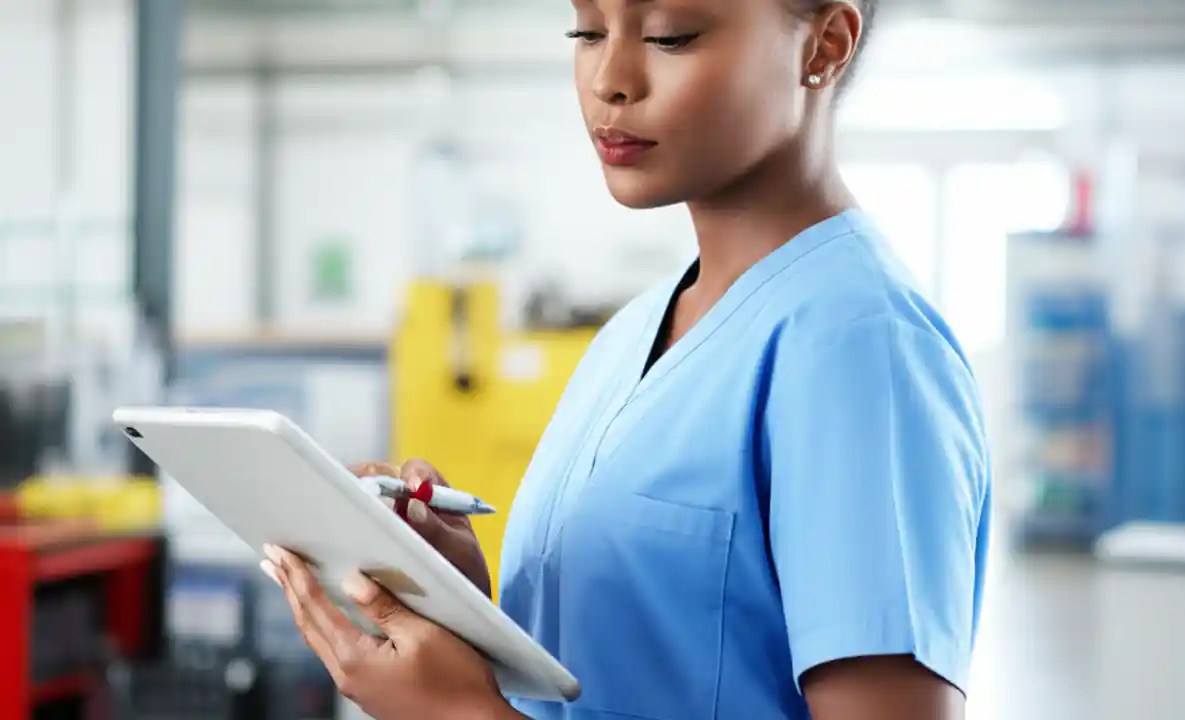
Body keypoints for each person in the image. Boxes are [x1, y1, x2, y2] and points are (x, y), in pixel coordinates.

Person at [260, 0, 992, 717]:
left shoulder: (860, 348)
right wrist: (457, 605)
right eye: (588, 29)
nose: (611, 77)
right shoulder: (631, 333)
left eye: (671, 36)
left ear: (824, 45)